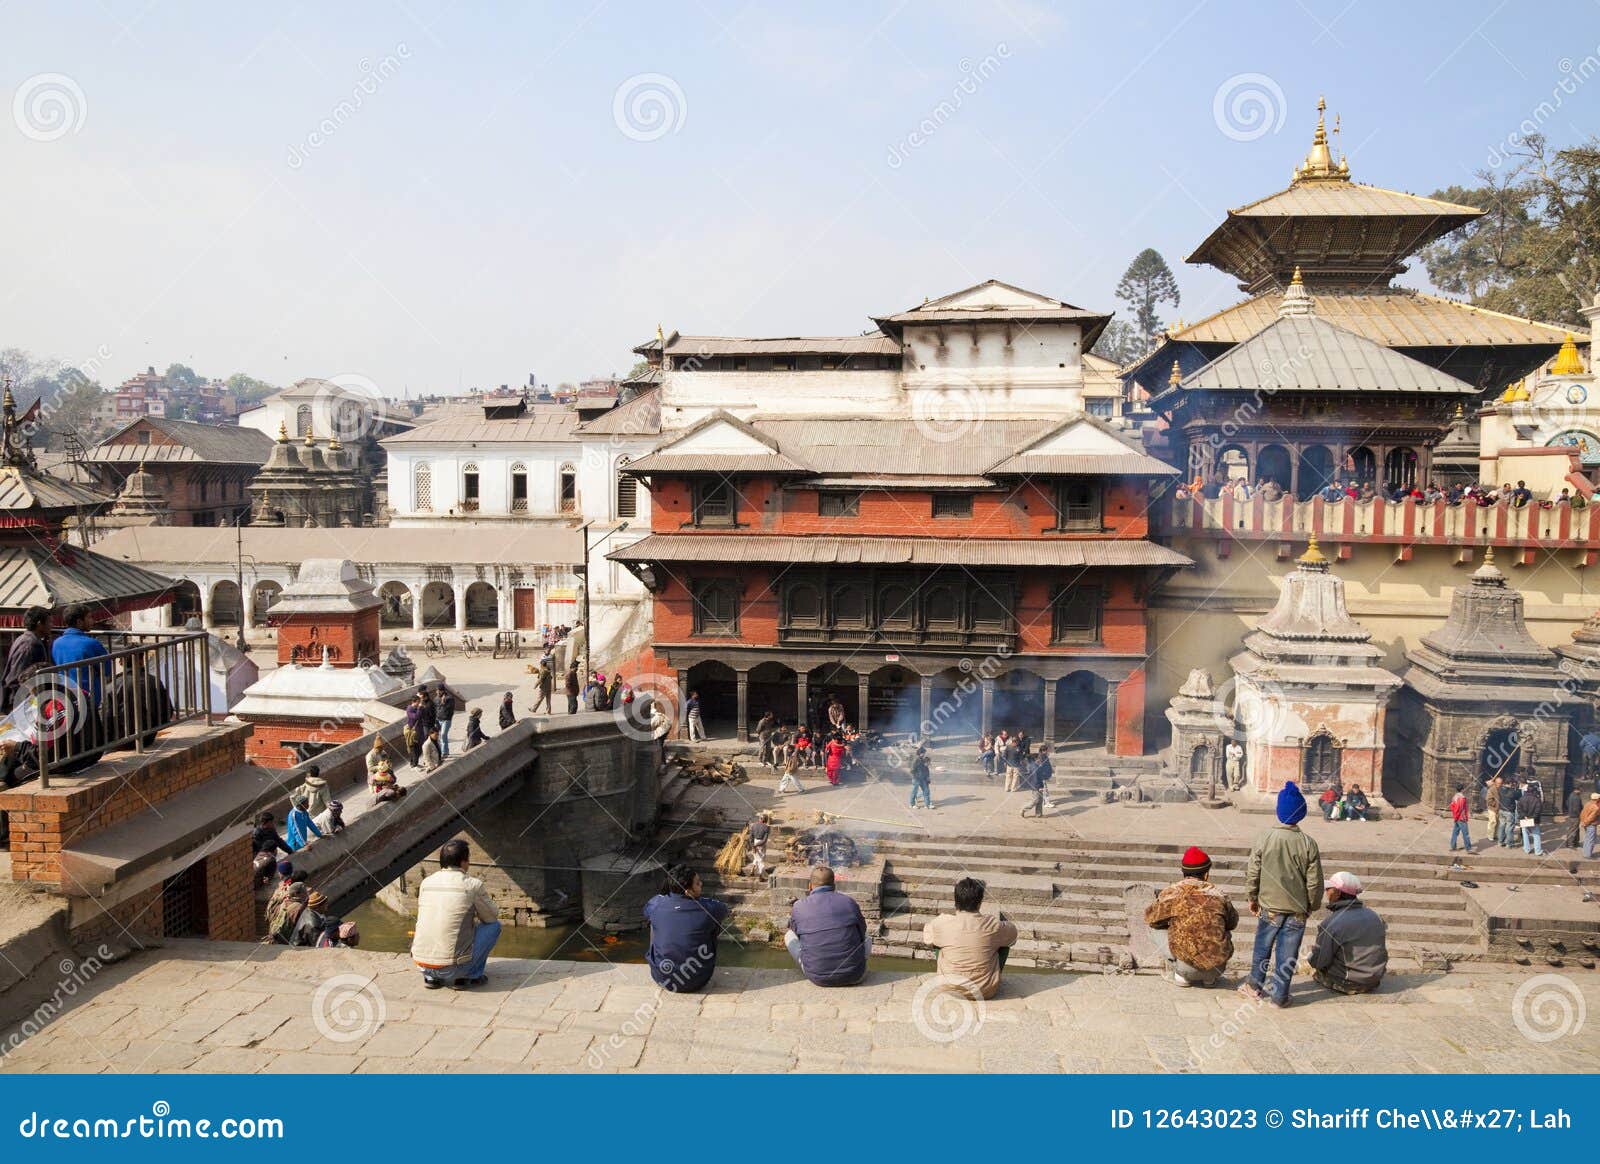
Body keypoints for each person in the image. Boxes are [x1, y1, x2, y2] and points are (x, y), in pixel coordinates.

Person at [1242, 781, 1323, 1008]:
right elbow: (1314, 881)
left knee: (1263, 948)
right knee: (1288, 955)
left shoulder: (1265, 837)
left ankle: (1255, 986)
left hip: (1270, 907)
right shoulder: (1308, 843)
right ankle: (1279, 997)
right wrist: (1312, 905)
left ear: (1279, 812)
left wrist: (1252, 896)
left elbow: (1253, 871)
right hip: (1297, 910)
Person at [411, 839, 501, 990]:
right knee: (494, 926)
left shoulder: (426, 883)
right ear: (464, 862)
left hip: (422, 965)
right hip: (451, 969)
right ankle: (469, 976)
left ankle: (432, 978)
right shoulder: (472, 884)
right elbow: (492, 917)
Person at [1144, 846, 1239, 987]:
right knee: (1224, 930)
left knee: (1152, 929)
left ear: (1184, 873)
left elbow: (1150, 917)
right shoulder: (1220, 895)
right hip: (1217, 969)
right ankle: (1209, 979)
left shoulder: (1172, 892)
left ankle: (1181, 975)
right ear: (1206, 874)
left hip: (1186, 967)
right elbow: (1232, 923)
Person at [922, 877, 1017, 1001]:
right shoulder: (993, 924)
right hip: (985, 991)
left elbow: (927, 937)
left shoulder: (942, 922)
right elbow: (1013, 935)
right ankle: (994, 977)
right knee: (1004, 941)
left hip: (949, 989)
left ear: (955, 901)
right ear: (980, 902)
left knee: (936, 941)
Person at [642, 862, 729, 993]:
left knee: (654, 921)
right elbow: (724, 910)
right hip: (698, 980)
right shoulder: (709, 908)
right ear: (688, 891)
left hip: (662, 978)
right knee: (714, 921)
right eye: (698, 883)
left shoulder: (656, 903)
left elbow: (646, 910)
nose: (701, 885)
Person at [784, 865, 869, 986]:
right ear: (834, 885)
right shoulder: (849, 902)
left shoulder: (798, 906)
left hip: (818, 978)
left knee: (789, 935)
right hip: (855, 975)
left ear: (810, 886)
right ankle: (857, 963)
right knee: (866, 934)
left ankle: (816, 964)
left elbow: (797, 934)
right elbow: (862, 932)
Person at [1307, 871, 1388, 995]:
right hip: (1375, 979)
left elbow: (1319, 962)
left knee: (1318, 965)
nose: (1326, 893)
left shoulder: (1331, 923)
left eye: (1329, 889)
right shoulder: (1375, 916)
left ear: (1338, 893)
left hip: (1350, 981)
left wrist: (1311, 957)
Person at [51, 604, 110, 705]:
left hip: (65, 695)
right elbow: (107, 670)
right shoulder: (91, 643)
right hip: (88, 696)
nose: (93, 621)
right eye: (89, 617)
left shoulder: (56, 642)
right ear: (79, 622)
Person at [2, 606, 50, 712]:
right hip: (21, 702)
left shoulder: (27, 639)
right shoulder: (30, 645)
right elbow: (16, 677)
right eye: (48, 622)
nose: (51, 626)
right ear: (39, 624)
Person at [1021, 744, 1054, 818]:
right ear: (1036, 759)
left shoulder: (1037, 766)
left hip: (1039, 784)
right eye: (1038, 759)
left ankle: (1038, 814)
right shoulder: (1035, 767)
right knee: (1035, 800)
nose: (1040, 760)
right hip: (1036, 786)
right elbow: (1036, 778)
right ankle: (1024, 809)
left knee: (1040, 800)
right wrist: (1040, 787)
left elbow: (1040, 776)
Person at [1519, 779, 1544, 855]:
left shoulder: (1522, 798)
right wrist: (1532, 817)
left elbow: (1519, 809)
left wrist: (1524, 816)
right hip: (1534, 819)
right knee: (1536, 834)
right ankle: (1538, 851)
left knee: (1525, 833)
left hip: (1524, 819)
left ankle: (1527, 849)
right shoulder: (1537, 800)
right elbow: (1538, 810)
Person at [1496, 776, 1520, 847]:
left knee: (1501, 826)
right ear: (1510, 783)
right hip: (1509, 811)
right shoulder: (1512, 791)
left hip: (1501, 810)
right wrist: (1516, 789)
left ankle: (1500, 842)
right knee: (1509, 827)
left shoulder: (1499, 789)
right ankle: (1509, 843)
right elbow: (1519, 796)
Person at [746, 811, 771, 877]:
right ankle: (760, 875)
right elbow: (764, 840)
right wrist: (756, 845)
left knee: (757, 857)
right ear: (765, 820)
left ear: (759, 819)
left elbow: (750, 837)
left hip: (754, 842)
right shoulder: (766, 827)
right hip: (761, 844)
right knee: (761, 859)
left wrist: (753, 845)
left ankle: (752, 870)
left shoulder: (753, 825)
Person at [1449, 784, 1472, 853]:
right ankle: (1468, 848)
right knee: (1466, 834)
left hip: (1457, 817)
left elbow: (1452, 806)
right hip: (1461, 818)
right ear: (1462, 789)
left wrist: (1455, 817)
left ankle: (1453, 846)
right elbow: (1459, 808)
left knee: (1455, 832)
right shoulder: (1462, 798)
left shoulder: (1455, 797)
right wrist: (1457, 817)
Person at [909, 744, 932, 809]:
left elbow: (925, 768)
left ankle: (927, 805)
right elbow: (912, 770)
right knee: (914, 792)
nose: (924, 754)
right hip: (917, 779)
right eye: (923, 753)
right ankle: (912, 804)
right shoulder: (916, 760)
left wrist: (927, 777)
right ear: (920, 753)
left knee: (926, 791)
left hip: (922, 779)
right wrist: (916, 777)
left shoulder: (922, 759)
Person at [404, 695, 423, 766]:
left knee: (419, 748)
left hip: (418, 730)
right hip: (412, 731)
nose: (419, 703)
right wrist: (419, 709)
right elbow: (415, 717)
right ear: (413, 702)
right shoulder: (409, 709)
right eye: (418, 702)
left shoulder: (417, 708)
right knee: (413, 748)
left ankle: (413, 762)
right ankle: (414, 763)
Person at [436, 687, 456, 757]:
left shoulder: (449, 698)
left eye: (439, 691)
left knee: (443, 734)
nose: (437, 692)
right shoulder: (436, 698)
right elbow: (436, 708)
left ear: (443, 691)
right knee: (438, 736)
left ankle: (445, 752)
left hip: (446, 720)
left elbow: (450, 709)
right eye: (437, 690)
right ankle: (440, 751)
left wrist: (443, 703)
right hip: (438, 719)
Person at [1581, 793, 1600, 859]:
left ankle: (1585, 853)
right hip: (1590, 824)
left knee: (1587, 839)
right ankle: (1587, 855)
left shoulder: (1587, 803)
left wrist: (1583, 821)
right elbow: (1591, 817)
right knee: (1591, 840)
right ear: (1597, 799)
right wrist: (1585, 823)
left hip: (1586, 823)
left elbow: (1582, 813)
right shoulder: (1595, 807)